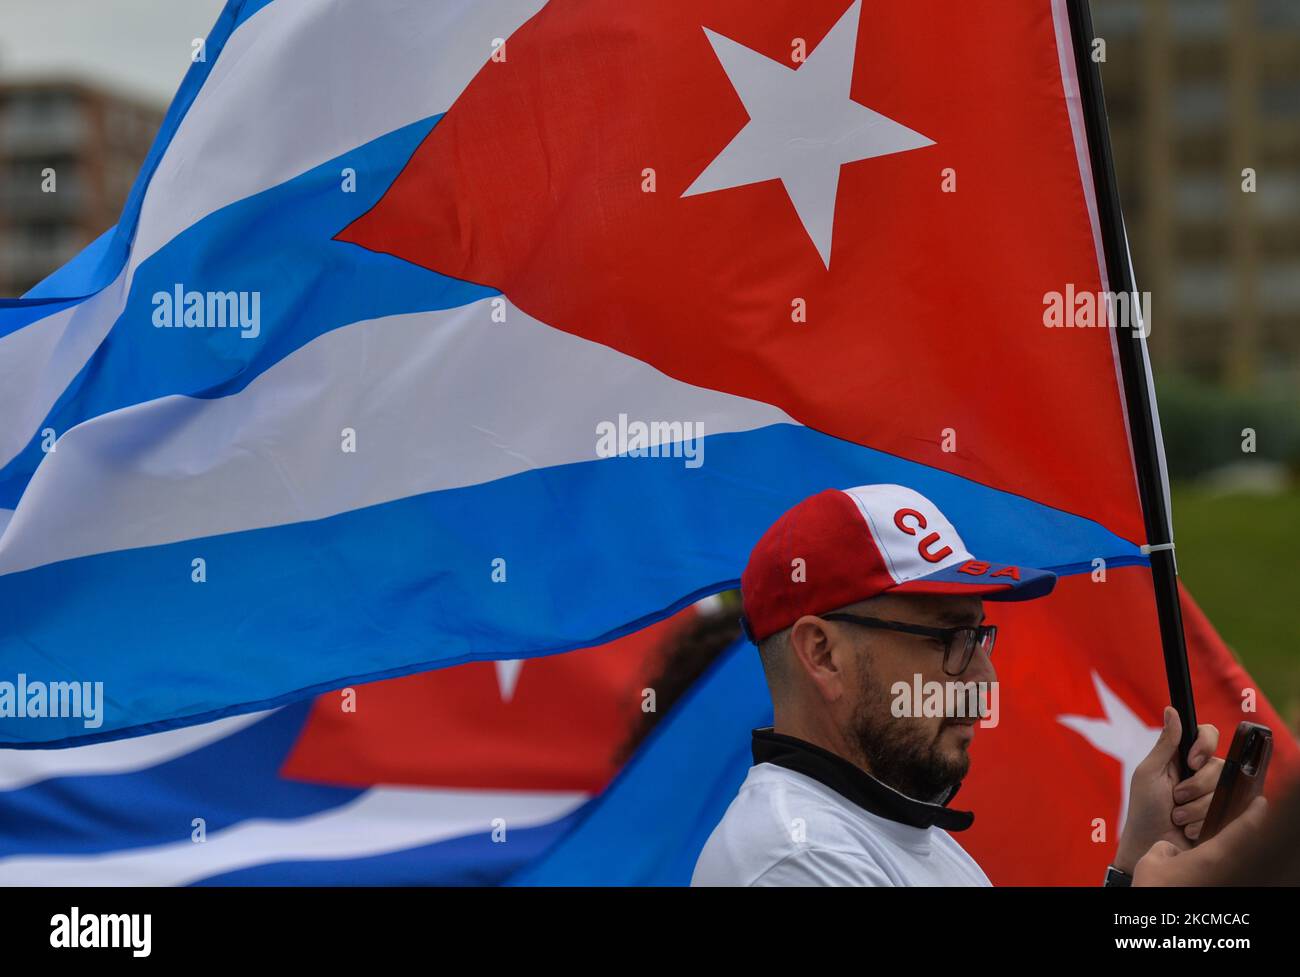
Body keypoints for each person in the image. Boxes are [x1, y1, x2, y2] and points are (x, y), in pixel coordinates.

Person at [691, 483, 1238, 887]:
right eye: (948, 637)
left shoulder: (892, 831)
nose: (983, 676)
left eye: (980, 636)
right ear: (822, 654)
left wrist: (1141, 858)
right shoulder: (793, 857)